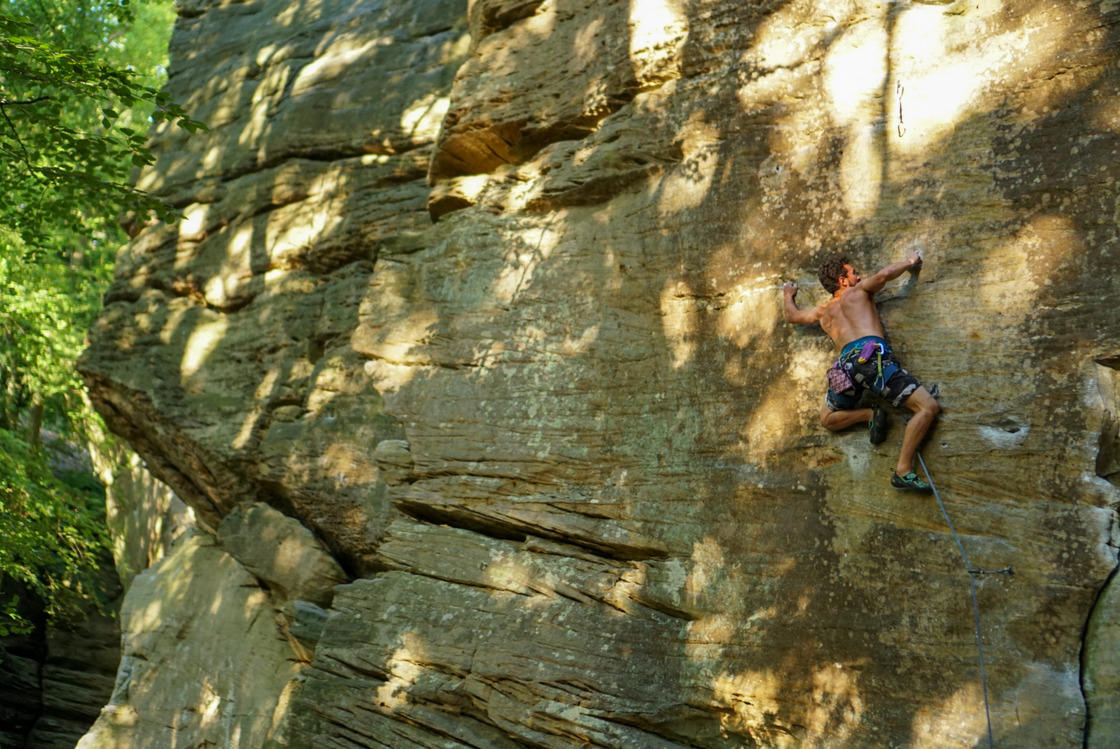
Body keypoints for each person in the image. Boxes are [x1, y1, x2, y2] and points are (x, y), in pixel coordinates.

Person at [783, 250, 940, 492]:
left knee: (827, 419)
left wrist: (788, 293)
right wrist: (911, 261)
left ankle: (869, 415)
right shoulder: (859, 292)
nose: (858, 276)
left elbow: (792, 316)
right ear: (843, 281)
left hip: (844, 370)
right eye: (854, 272)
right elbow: (886, 274)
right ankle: (903, 470)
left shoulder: (822, 311)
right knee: (927, 407)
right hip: (872, 360)